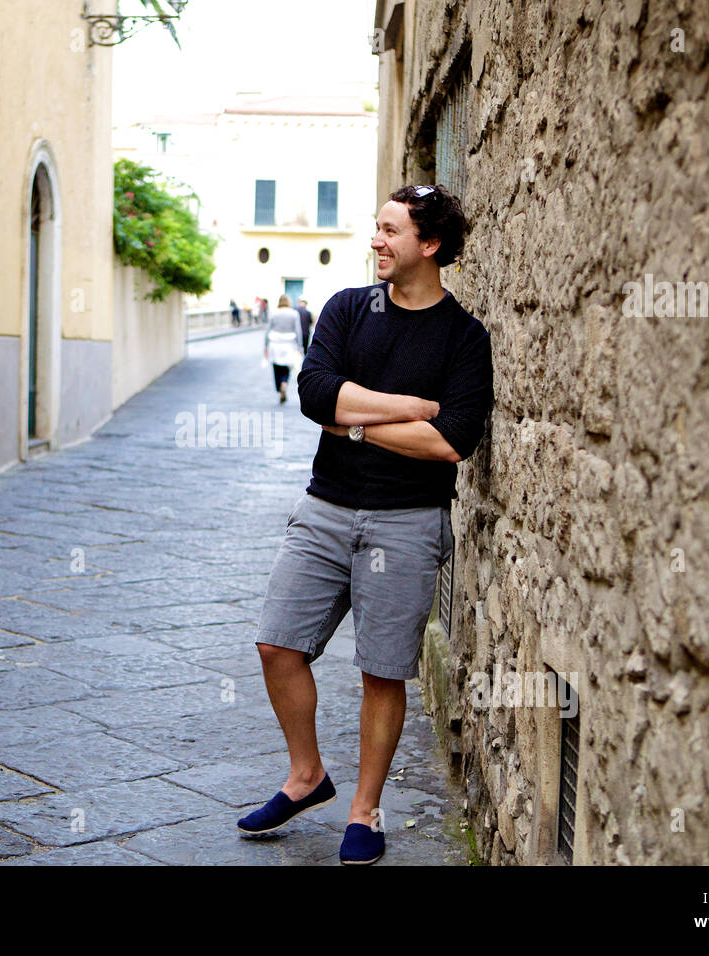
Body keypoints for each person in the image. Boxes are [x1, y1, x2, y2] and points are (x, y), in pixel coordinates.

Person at [237, 184, 493, 864]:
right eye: (376, 229)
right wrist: (405, 408)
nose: (375, 241)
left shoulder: (466, 339)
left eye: (389, 231)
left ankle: (365, 810)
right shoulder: (349, 309)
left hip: (408, 523)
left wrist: (354, 422)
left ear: (429, 244)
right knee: (277, 646)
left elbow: (451, 443)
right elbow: (316, 395)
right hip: (324, 508)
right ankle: (306, 775)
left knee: (383, 672)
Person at [263, 294, 304, 403]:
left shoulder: (273, 313)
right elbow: (298, 331)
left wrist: (265, 346)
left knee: (276, 367)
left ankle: (278, 387)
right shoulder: (294, 314)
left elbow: (267, 331)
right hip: (289, 344)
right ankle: (284, 383)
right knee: (287, 367)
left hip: (275, 344)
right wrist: (300, 346)